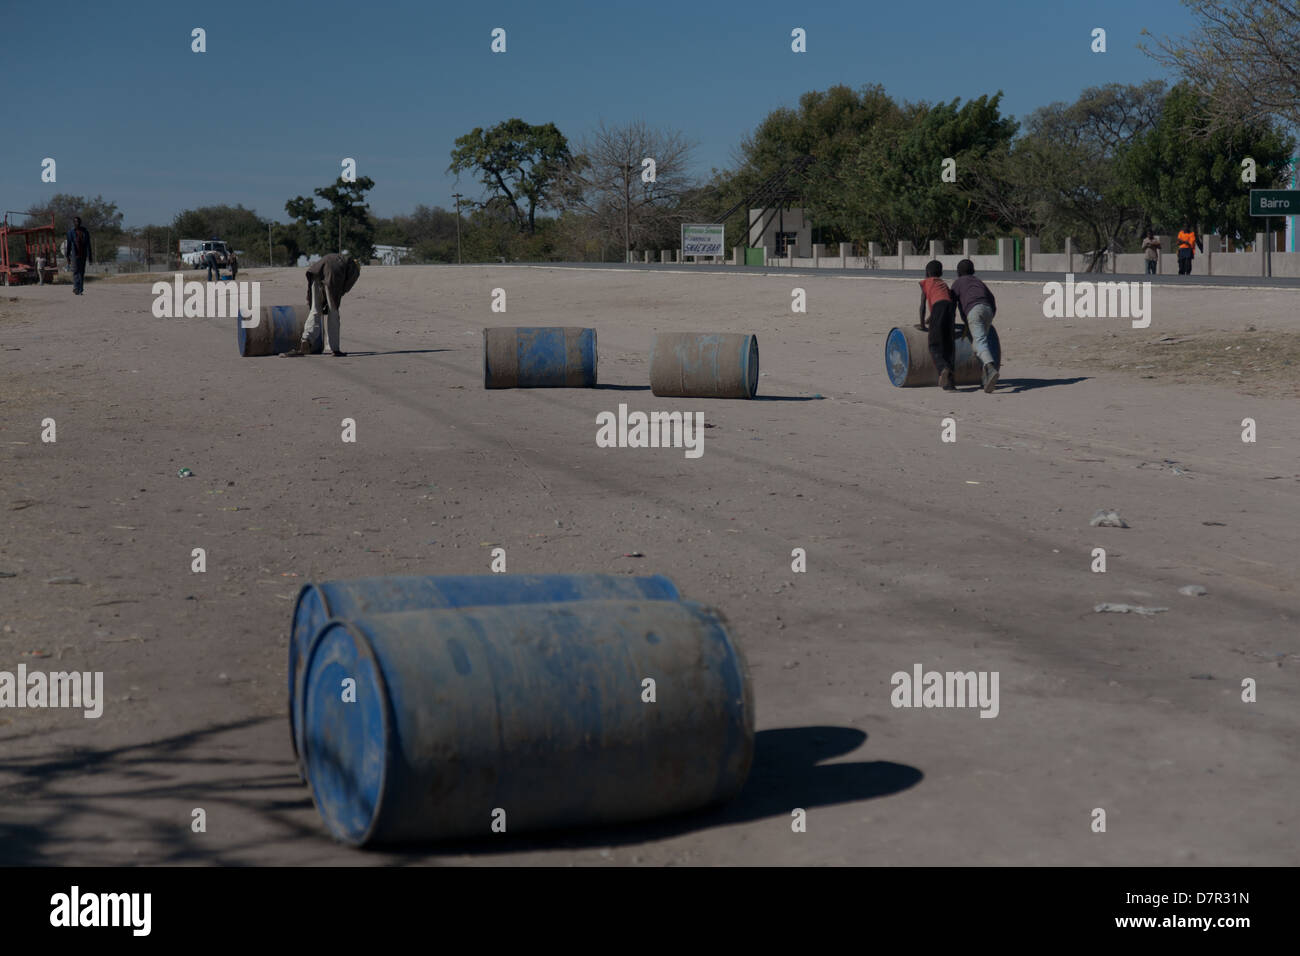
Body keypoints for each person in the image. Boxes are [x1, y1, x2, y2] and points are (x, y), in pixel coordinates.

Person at [290, 253, 360, 357]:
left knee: (315, 309)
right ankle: (334, 348)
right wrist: (333, 300)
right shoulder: (355, 269)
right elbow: (345, 288)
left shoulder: (342, 259)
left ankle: (306, 339)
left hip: (316, 270)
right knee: (334, 312)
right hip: (332, 273)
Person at [950, 258, 1000, 394]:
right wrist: (991, 313)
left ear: (958, 272)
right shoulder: (978, 281)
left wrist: (951, 324)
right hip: (988, 309)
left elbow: (952, 305)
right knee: (979, 344)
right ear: (973, 271)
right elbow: (992, 298)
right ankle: (985, 378)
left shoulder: (957, 283)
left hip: (974, 310)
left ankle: (990, 367)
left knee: (979, 342)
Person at [917, 259, 957, 390]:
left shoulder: (926, 283)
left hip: (939, 309)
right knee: (948, 346)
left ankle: (942, 368)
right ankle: (950, 384)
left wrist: (923, 324)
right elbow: (944, 302)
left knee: (934, 345)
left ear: (927, 272)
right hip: (950, 310)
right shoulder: (943, 284)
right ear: (941, 272)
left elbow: (923, 306)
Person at [64, 216, 93, 295]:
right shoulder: (70, 232)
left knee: (82, 272)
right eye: (76, 222)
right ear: (73, 223)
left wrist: (90, 257)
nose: (77, 223)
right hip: (74, 254)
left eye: (78, 221)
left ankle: (80, 289)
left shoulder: (85, 232)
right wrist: (67, 256)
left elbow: (88, 245)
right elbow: (69, 245)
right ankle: (76, 288)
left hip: (83, 254)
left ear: (80, 222)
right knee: (76, 271)